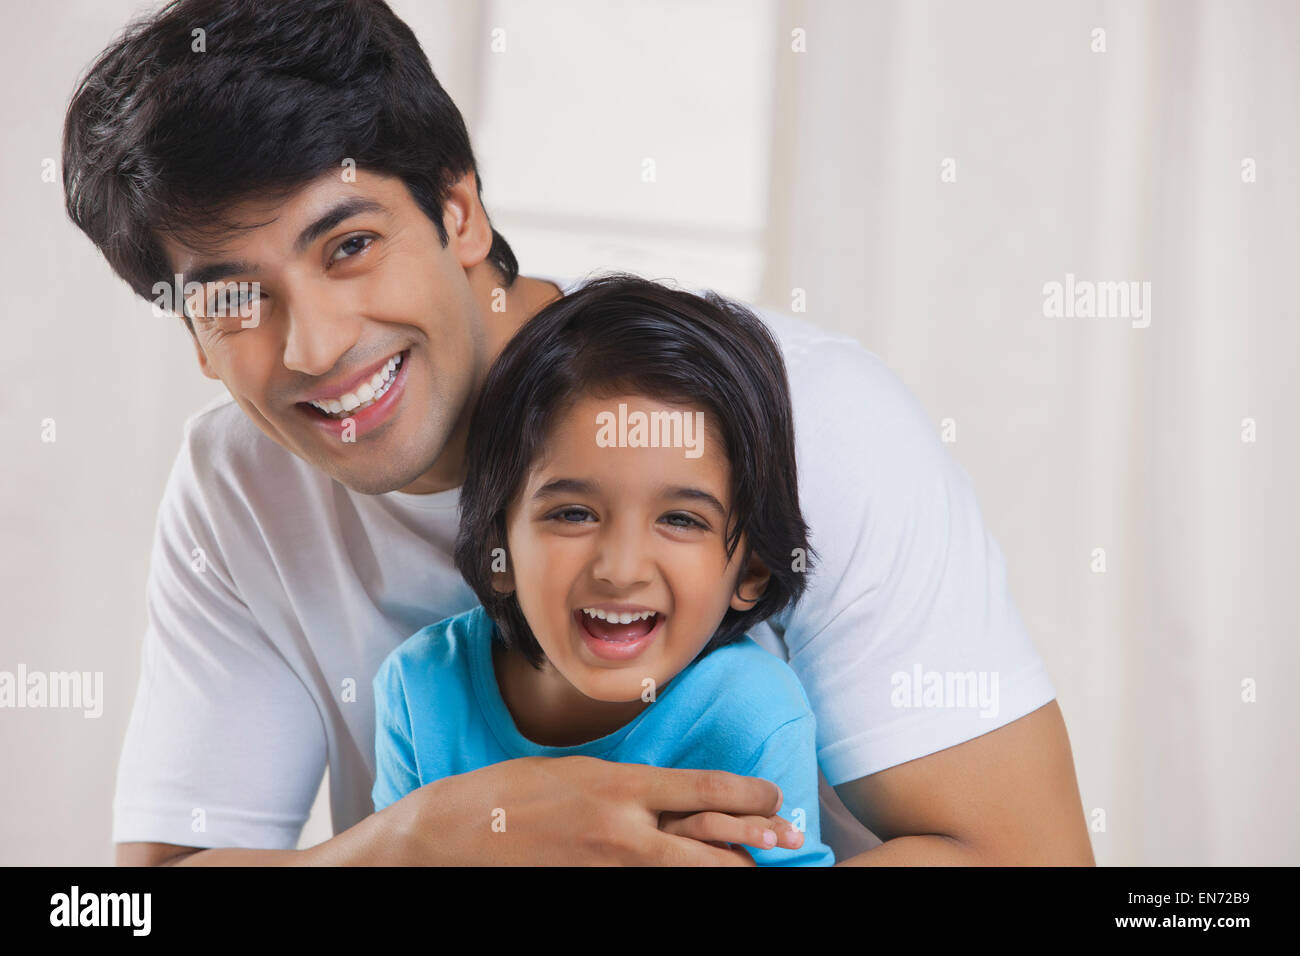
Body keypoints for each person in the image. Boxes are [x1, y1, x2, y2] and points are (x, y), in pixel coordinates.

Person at [62, 0, 1093, 865]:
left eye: (351, 244)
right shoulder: (235, 486)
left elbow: (1030, 861)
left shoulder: (800, 414)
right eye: (234, 300)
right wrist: (415, 842)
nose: (315, 346)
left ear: (459, 209)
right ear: (194, 335)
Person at [372, 275, 837, 866]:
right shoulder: (419, 690)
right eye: (573, 513)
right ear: (499, 547)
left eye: (681, 520)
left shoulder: (751, 714)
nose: (620, 570)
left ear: (753, 569)